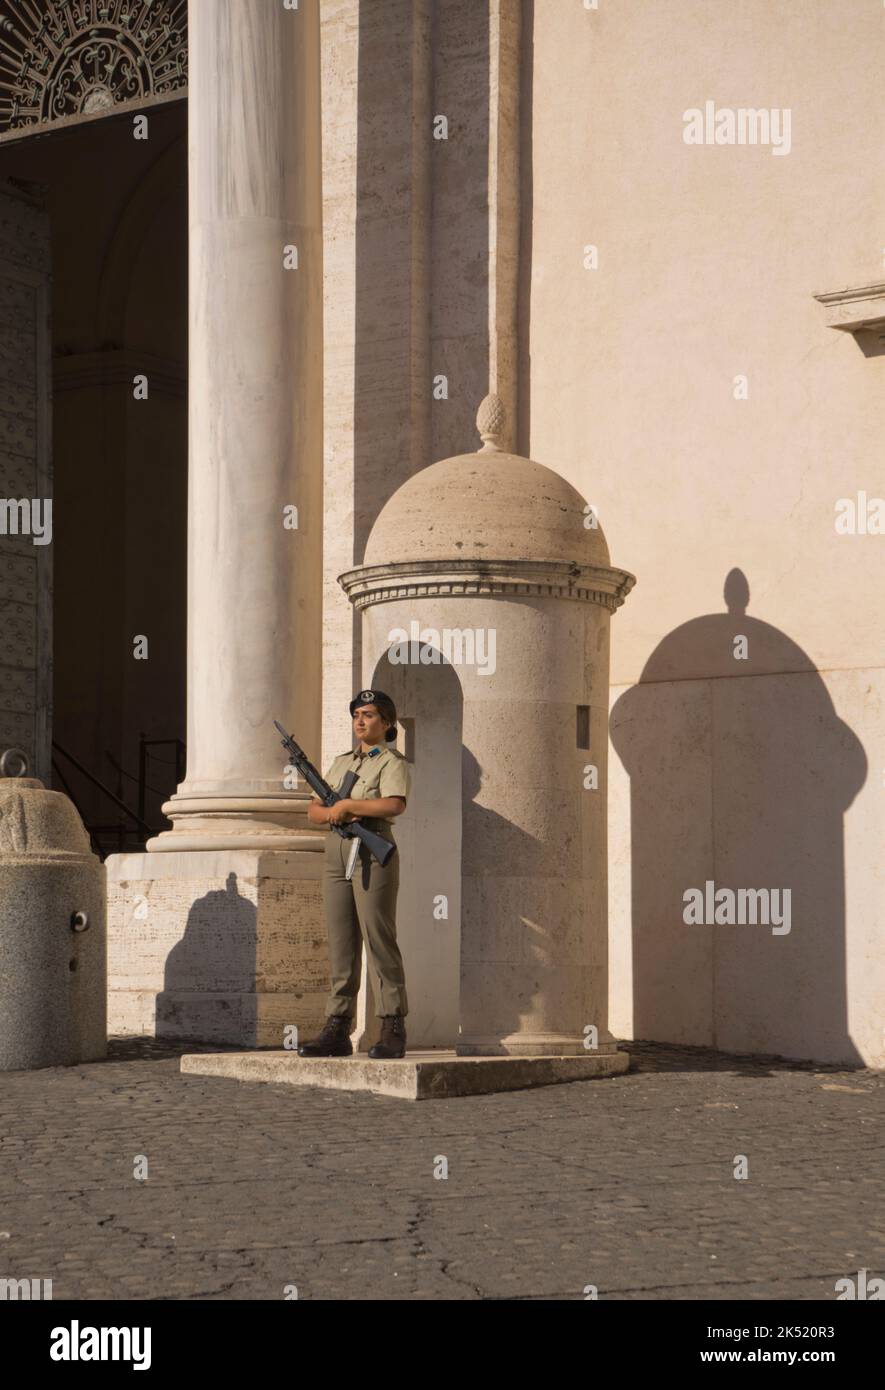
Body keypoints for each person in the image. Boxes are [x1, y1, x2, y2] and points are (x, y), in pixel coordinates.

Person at [298, 689, 411, 1060]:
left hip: (372, 848)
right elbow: (314, 811)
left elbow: (394, 803)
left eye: (370, 715)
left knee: (379, 938)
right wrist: (335, 812)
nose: (361, 721)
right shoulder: (342, 761)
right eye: (357, 714)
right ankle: (338, 1025)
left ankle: (392, 1023)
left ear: (387, 723)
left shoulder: (391, 761)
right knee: (341, 941)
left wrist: (350, 806)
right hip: (337, 851)